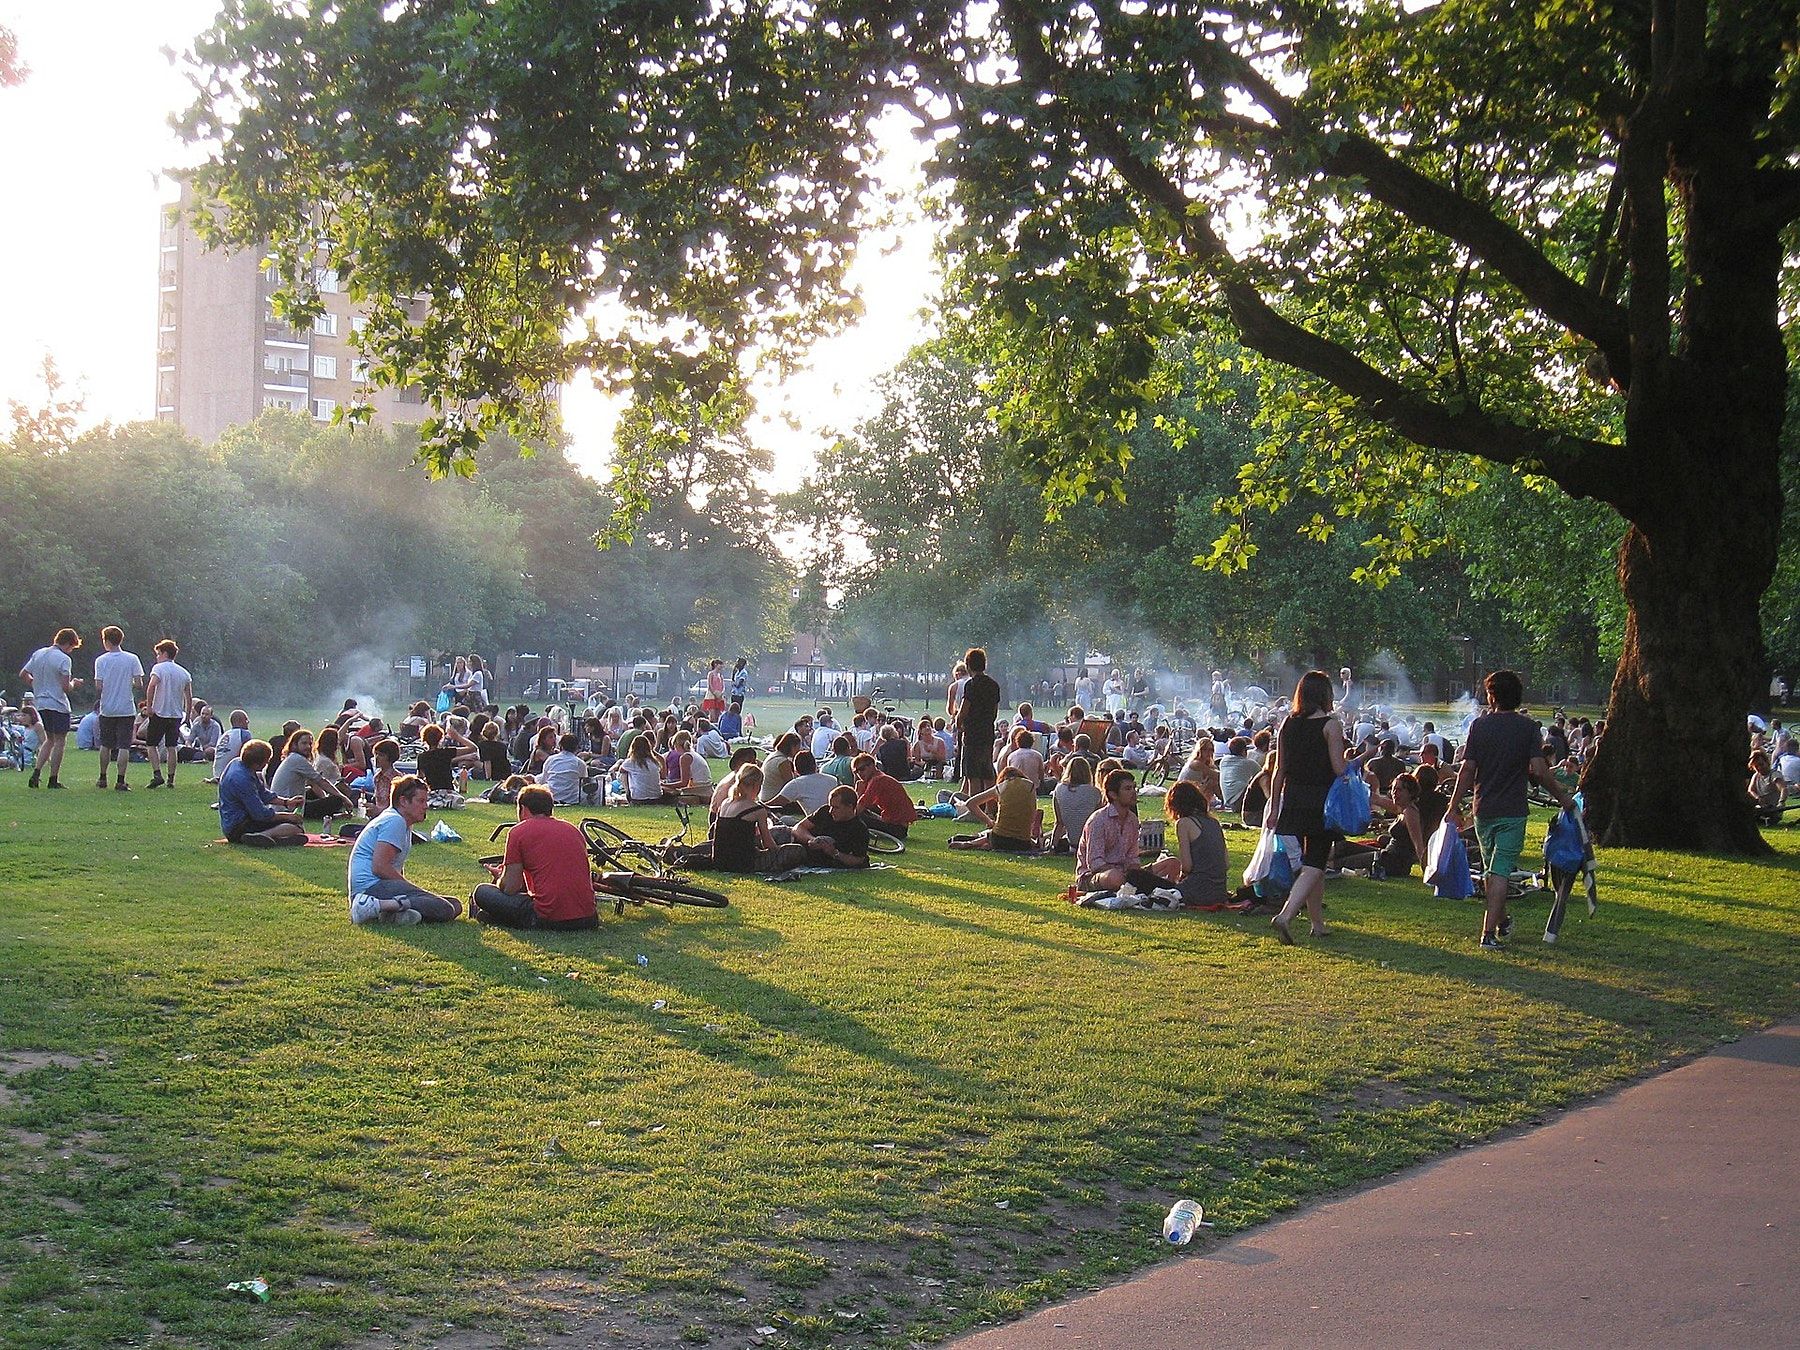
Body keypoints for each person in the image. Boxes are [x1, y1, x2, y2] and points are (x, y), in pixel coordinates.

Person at [1446, 669, 1578, 950]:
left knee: (1493, 871)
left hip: (1483, 809)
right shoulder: (1528, 728)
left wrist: (1453, 805)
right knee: (1499, 872)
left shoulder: (1479, 727)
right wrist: (1563, 797)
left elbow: (1467, 770)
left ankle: (1501, 921)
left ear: (1491, 696)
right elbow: (1540, 771)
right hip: (1513, 810)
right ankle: (1488, 934)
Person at [1266, 670, 1349, 945]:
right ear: (1325, 695)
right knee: (1315, 862)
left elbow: (1279, 770)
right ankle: (1286, 915)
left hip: (1293, 798)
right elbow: (1339, 769)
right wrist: (1361, 758)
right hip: (1320, 801)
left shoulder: (1287, 724)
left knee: (1312, 861)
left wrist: (1275, 808)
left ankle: (1317, 923)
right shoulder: (1330, 725)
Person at [469, 786, 600, 930]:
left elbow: (510, 888)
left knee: (482, 892)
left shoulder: (519, 832)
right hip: (588, 917)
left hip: (547, 917)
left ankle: (498, 918)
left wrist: (501, 877)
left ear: (523, 809)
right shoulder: (572, 830)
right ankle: (495, 918)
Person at [347, 775, 462, 924]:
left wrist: (412, 892)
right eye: (420, 801)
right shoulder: (395, 821)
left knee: (455, 904)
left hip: (377, 886)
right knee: (444, 908)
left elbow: (393, 866)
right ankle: (372, 906)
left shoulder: (402, 822)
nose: (426, 806)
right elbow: (380, 867)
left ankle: (392, 914)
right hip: (370, 888)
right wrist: (410, 889)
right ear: (403, 801)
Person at [1332, 771, 1438, 879]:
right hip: (1386, 855)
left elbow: (1418, 845)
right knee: (1343, 846)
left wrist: (1427, 872)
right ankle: (1318, 859)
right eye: (1393, 789)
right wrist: (1352, 784)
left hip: (1393, 863)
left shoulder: (1410, 813)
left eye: (1399, 790)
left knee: (1343, 861)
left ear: (1410, 793)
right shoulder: (1401, 807)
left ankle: (1321, 867)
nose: (1394, 793)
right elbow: (1376, 798)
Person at [1074, 769, 1161, 892]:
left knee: (1171, 864)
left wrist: (1135, 871)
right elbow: (1095, 863)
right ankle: (1143, 887)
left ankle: (1140, 886)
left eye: (1134, 788)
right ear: (1113, 794)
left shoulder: (1132, 820)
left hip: (1126, 873)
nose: (1133, 792)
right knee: (1114, 878)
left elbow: (1133, 856)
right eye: (1127, 789)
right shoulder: (1098, 820)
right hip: (1095, 876)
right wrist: (1124, 873)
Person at [18, 627, 82, 789]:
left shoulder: (39, 653)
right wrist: (75, 683)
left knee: (49, 739)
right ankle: (53, 779)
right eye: (72, 647)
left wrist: (36, 684)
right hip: (58, 704)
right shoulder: (63, 659)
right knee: (60, 741)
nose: (70, 651)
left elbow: (23, 674)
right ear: (68, 643)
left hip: (41, 702)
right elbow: (66, 687)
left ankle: (37, 773)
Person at [1153, 781, 1229, 904]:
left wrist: (1180, 879)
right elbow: (1226, 864)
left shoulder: (1184, 823)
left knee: (1142, 879)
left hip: (1197, 889)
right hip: (1219, 892)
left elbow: (1187, 866)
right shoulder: (1214, 823)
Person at [219, 740, 306, 845]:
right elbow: (260, 814)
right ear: (257, 764)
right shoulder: (242, 780)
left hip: (233, 824)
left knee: (290, 825)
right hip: (239, 827)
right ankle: (264, 835)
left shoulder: (238, 763)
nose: (267, 764)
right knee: (296, 826)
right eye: (266, 761)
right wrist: (288, 816)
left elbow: (263, 793)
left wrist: (286, 802)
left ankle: (274, 839)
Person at [92, 626, 144, 791]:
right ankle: (120, 780)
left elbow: (98, 685)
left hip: (107, 707)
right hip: (126, 708)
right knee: (124, 745)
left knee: (105, 744)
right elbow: (138, 683)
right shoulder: (132, 659)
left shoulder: (101, 660)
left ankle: (102, 777)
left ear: (106, 641)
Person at [270, 729, 357, 819]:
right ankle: (332, 815)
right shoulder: (297, 759)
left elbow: (313, 783)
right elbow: (321, 781)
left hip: (290, 802)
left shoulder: (293, 758)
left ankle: (331, 814)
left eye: (310, 744)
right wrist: (343, 797)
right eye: (304, 743)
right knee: (336, 800)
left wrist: (325, 797)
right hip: (288, 807)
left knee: (317, 794)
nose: (308, 746)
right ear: (294, 745)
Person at [949, 764, 1038, 851]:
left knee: (993, 834)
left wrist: (989, 822)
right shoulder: (1030, 786)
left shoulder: (1001, 787)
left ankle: (972, 843)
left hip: (998, 839)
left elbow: (970, 803)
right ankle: (978, 844)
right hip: (1023, 843)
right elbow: (1033, 814)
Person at [956, 646, 1002, 796]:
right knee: (987, 772)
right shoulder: (993, 685)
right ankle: (991, 808)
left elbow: (964, 710)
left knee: (973, 774)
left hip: (972, 734)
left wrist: (959, 724)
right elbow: (995, 712)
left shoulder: (971, 684)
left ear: (968, 665)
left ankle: (975, 809)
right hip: (987, 732)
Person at [792, 785, 872, 868]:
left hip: (806, 857)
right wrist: (811, 839)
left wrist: (834, 853)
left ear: (850, 807)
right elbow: (798, 828)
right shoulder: (824, 812)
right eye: (830, 806)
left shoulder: (859, 829)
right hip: (799, 846)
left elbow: (859, 860)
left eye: (836, 808)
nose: (831, 811)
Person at [852, 753, 918, 838]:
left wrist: (859, 793)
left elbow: (860, 807)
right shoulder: (878, 777)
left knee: (858, 816)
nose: (859, 773)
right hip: (897, 824)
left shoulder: (877, 780)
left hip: (897, 828)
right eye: (856, 771)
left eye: (862, 769)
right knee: (862, 813)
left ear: (872, 765)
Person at [1050, 756, 1103, 854]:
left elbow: (1059, 823)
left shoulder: (1059, 789)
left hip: (1073, 843)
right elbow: (1099, 821)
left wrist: (1053, 847)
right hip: (1090, 843)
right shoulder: (1095, 792)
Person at [767, 750, 836, 817]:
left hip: (818, 823)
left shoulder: (796, 784)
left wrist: (758, 806)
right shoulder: (833, 779)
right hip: (839, 820)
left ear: (796, 770)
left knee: (785, 819)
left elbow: (774, 803)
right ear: (815, 765)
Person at [210, 709, 254, 783]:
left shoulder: (225, 734)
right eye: (246, 720)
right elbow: (247, 754)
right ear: (240, 721)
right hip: (231, 774)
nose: (248, 722)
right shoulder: (244, 734)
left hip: (217, 773)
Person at [759, 732, 802, 804]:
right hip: (773, 800)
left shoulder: (773, 755)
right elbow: (791, 785)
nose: (798, 751)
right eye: (797, 748)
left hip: (765, 796)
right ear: (792, 747)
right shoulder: (782, 762)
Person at [1177, 737, 1222, 804]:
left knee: (1212, 781)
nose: (1208, 752)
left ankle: (1223, 800)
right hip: (1184, 795)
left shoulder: (1206, 764)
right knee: (1212, 781)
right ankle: (1225, 801)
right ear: (1199, 750)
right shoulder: (1196, 764)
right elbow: (1217, 776)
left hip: (1192, 793)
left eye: (1211, 750)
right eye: (1205, 749)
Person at [1218, 737, 1257, 811]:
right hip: (1242, 801)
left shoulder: (1224, 760)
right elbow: (1263, 774)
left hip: (1230, 802)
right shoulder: (1249, 763)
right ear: (1244, 751)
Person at [1748, 749, 1787, 825]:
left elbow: (1783, 789)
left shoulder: (1774, 775)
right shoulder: (1756, 776)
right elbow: (1750, 790)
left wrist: (1781, 803)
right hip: (1761, 807)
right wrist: (1757, 797)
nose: (1759, 768)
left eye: (1761, 764)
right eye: (1756, 766)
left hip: (1773, 809)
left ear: (1767, 762)